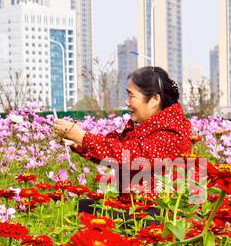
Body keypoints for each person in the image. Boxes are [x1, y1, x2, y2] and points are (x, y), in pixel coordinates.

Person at [51, 66, 194, 220]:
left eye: (131, 96)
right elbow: (113, 145)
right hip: (135, 207)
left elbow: (129, 156)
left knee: (90, 214)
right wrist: (75, 142)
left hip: (159, 215)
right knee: (86, 206)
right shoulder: (145, 127)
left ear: (154, 100)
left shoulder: (171, 132)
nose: (127, 102)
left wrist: (81, 136)